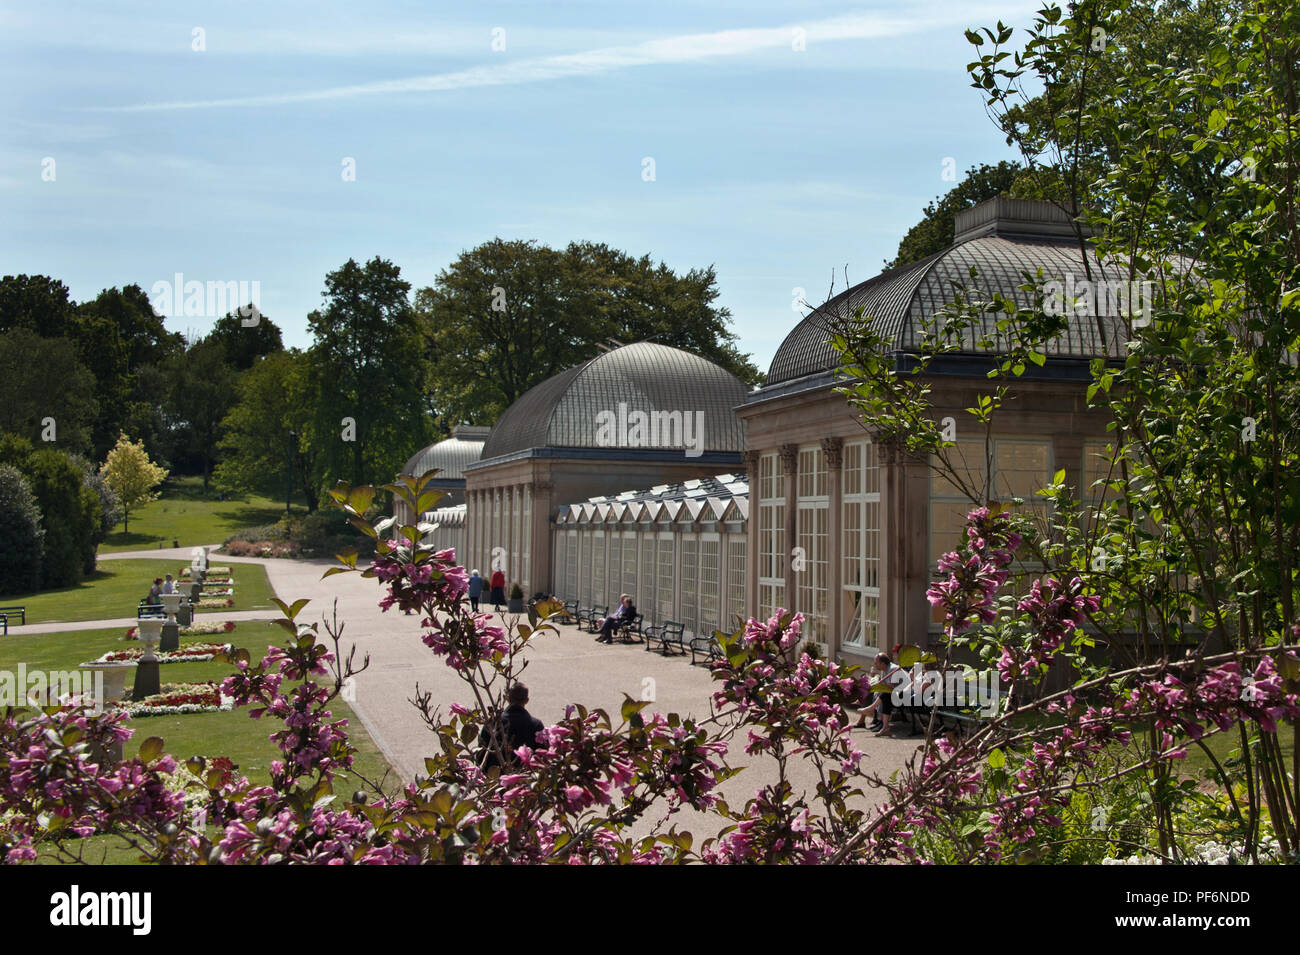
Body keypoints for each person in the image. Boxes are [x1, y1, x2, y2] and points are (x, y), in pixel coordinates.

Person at [477, 682, 546, 771]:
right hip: (525, 778)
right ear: (527, 700)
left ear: (507, 698)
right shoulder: (536, 725)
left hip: (494, 777)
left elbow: (481, 752)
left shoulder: (493, 722)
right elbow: (543, 755)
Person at [854, 652, 911, 735]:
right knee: (872, 692)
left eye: (876, 663)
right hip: (894, 693)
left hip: (905, 695)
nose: (875, 664)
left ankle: (872, 710)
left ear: (883, 663)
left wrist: (879, 691)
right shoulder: (884, 670)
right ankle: (864, 720)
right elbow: (883, 686)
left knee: (885, 694)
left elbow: (890, 687)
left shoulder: (893, 669)